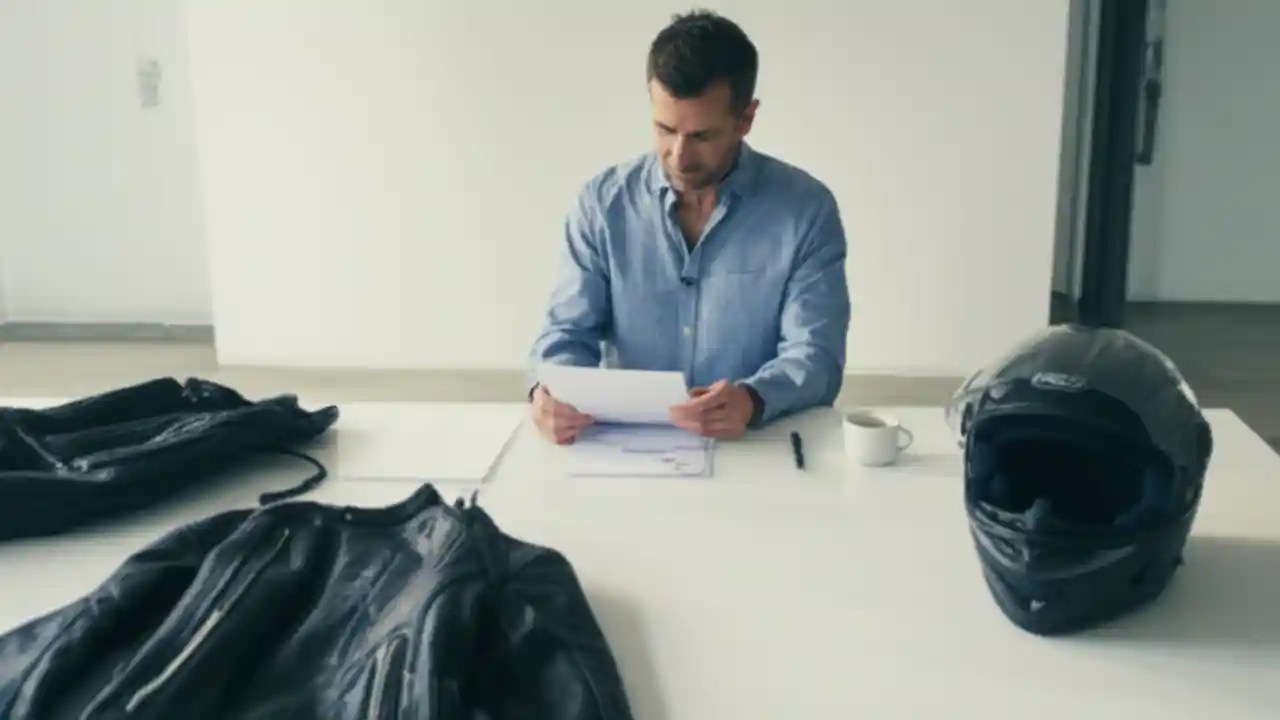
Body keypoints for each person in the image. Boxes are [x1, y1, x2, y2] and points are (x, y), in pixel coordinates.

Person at [527, 10, 850, 444]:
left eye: (701, 136)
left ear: (745, 119)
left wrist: (753, 399)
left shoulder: (806, 210)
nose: (679, 156)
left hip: (756, 446)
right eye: (664, 129)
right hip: (623, 449)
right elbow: (567, 331)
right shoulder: (602, 206)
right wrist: (548, 393)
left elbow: (816, 356)